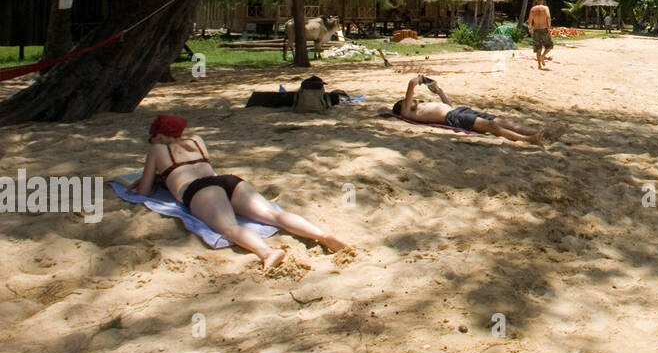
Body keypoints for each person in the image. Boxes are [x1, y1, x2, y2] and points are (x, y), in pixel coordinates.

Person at [129, 115, 348, 270]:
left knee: (229, 228)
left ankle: (267, 252)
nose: (151, 141)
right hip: (227, 180)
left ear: (158, 136)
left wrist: (159, 177)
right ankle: (322, 235)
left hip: (200, 190)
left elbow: (144, 191)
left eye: (152, 137)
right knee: (274, 215)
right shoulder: (197, 140)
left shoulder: (157, 150)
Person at [393, 75, 546, 143]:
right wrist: (419, 79)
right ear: (402, 107)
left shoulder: (420, 106)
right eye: (407, 101)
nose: (412, 100)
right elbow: (411, 84)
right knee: (491, 126)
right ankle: (528, 139)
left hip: (458, 110)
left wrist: (439, 92)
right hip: (453, 118)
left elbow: (448, 106)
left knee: (502, 121)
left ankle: (542, 133)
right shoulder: (407, 113)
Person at [527, 0, 554, 69]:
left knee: (538, 48)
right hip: (544, 29)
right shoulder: (545, 8)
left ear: (536, 1)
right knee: (549, 46)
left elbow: (530, 20)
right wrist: (549, 27)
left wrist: (530, 28)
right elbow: (548, 17)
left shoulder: (533, 9)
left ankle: (539, 65)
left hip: (536, 30)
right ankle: (543, 56)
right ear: (542, 1)